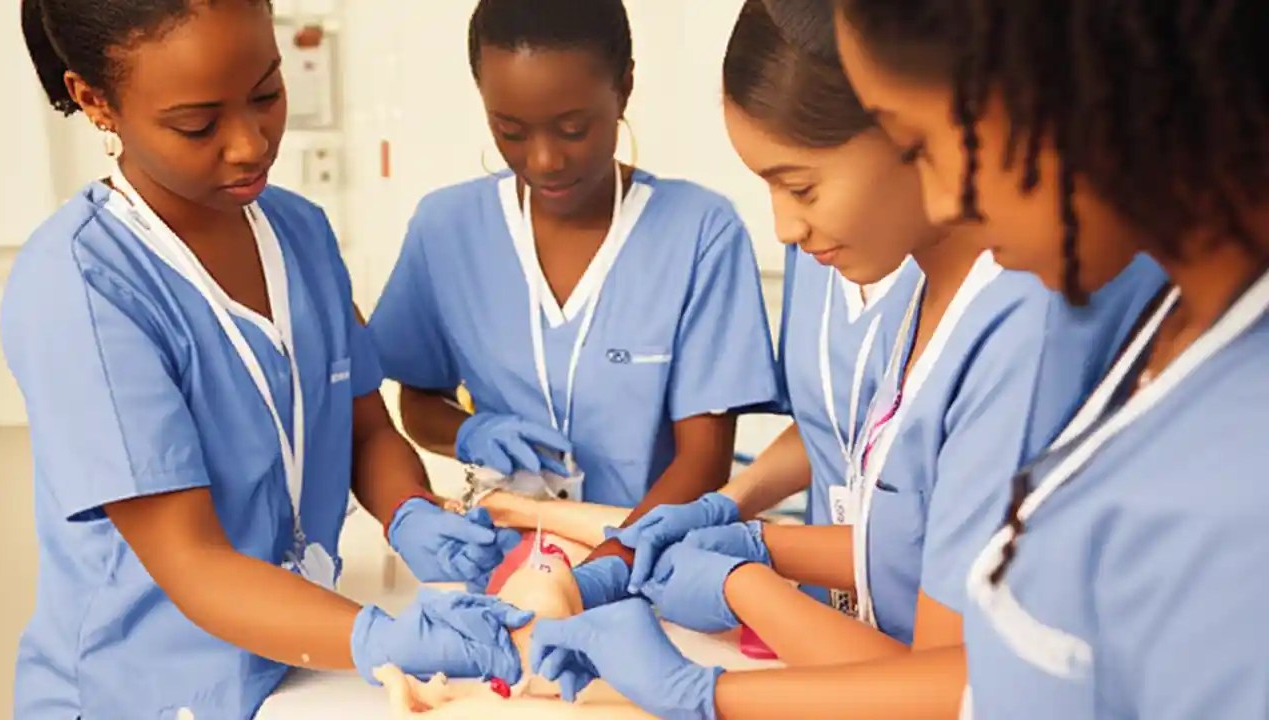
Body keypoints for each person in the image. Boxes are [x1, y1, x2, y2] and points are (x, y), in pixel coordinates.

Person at [523, 1, 1168, 717]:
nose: (784, 227)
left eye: (799, 186)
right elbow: (923, 543)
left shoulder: (1021, 318)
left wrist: (721, 648)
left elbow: (958, 682)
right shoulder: (927, 288)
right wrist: (756, 542)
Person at [5, 2, 530, 717]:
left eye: (267, 95)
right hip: (138, 695)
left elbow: (365, 428)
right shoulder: (83, 286)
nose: (250, 144)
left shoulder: (300, 234)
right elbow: (193, 564)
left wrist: (409, 512)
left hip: (286, 668)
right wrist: (384, 638)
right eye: (198, 124)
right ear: (97, 101)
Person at [830, 0, 1269, 718]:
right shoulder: (1176, 323)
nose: (940, 204)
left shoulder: (1243, 479)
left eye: (919, 147)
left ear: (1059, 83)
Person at [367, 0, 780, 587]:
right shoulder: (446, 228)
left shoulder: (700, 232)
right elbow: (417, 403)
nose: (544, 160)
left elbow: (704, 459)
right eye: (510, 131)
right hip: (503, 565)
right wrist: (467, 432)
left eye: (572, 128)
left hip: (653, 565)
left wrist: (612, 565)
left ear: (625, 89)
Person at [601, 0, 930, 611]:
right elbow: (833, 426)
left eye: (800, 186)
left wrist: (758, 556)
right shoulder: (825, 250)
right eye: (768, 185)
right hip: (833, 625)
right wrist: (729, 504)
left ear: (906, 131)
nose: (784, 227)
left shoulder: (986, 297)